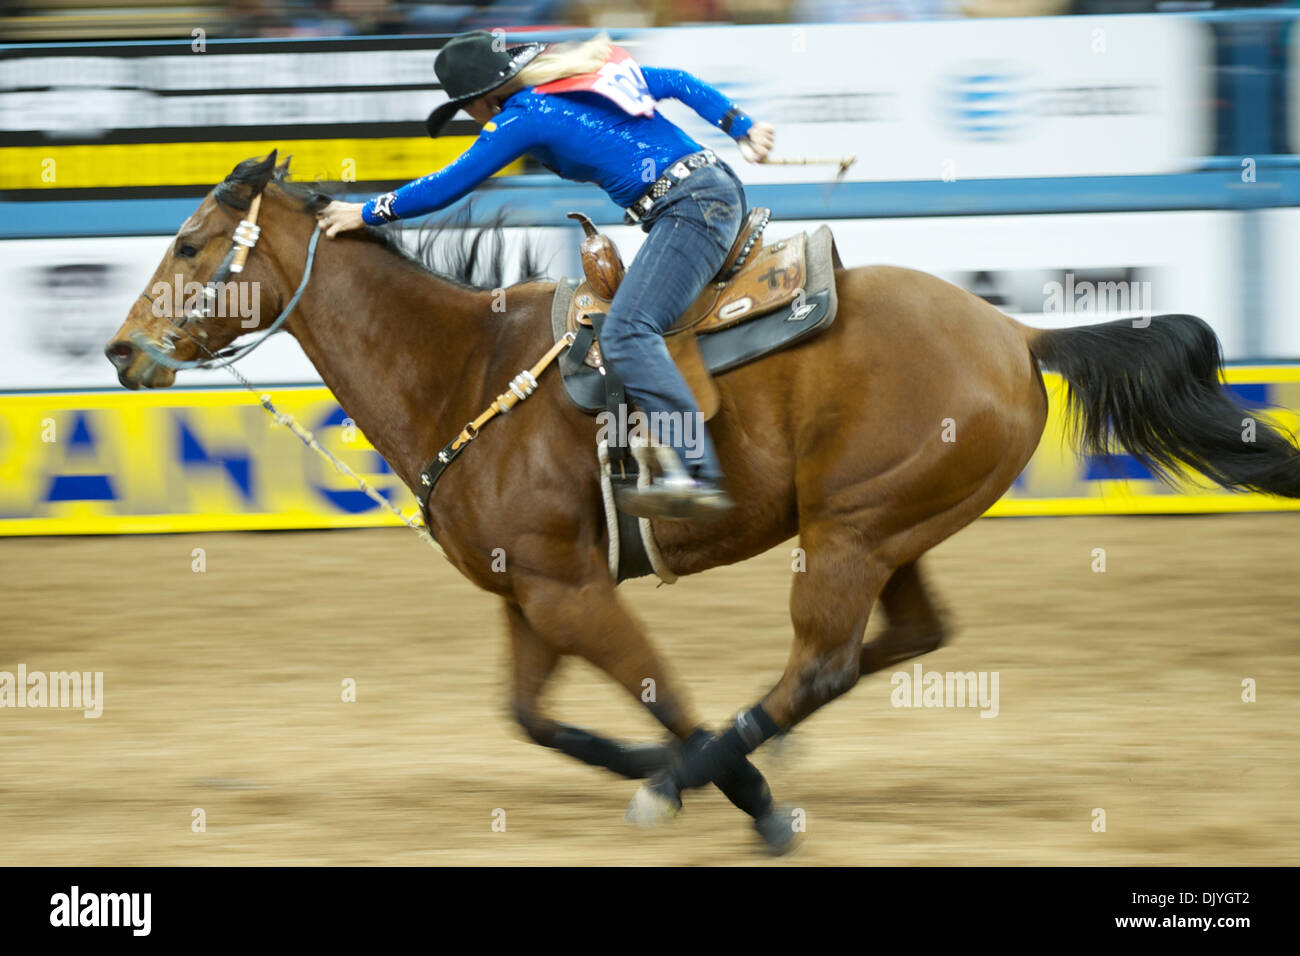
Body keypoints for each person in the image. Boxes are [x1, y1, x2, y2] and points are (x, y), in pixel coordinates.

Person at [317, 30, 775, 519]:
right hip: (709, 191)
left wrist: (367, 212)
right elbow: (679, 82)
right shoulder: (579, 80)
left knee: (627, 331)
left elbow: (446, 185)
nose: (473, 118)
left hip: (689, 208)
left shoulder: (521, 119)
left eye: (467, 108)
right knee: (634, 324)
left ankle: (695, 471)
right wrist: (740, 126)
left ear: (484, 99)